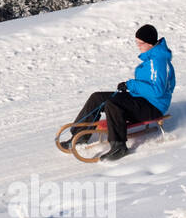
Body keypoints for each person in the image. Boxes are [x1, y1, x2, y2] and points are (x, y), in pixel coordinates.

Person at [72, 24, 175, 162]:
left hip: (154, 107)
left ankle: (118, 146)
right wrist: (130, 86)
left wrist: (131, 84)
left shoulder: (158, 61)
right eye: (137, 42)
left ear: (150, 43)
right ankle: (78, 136)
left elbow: (158, 90)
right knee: (98, 97)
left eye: (140, 43)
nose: (138, 46)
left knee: (113, 104)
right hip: (142, 99)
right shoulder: (152, 58)